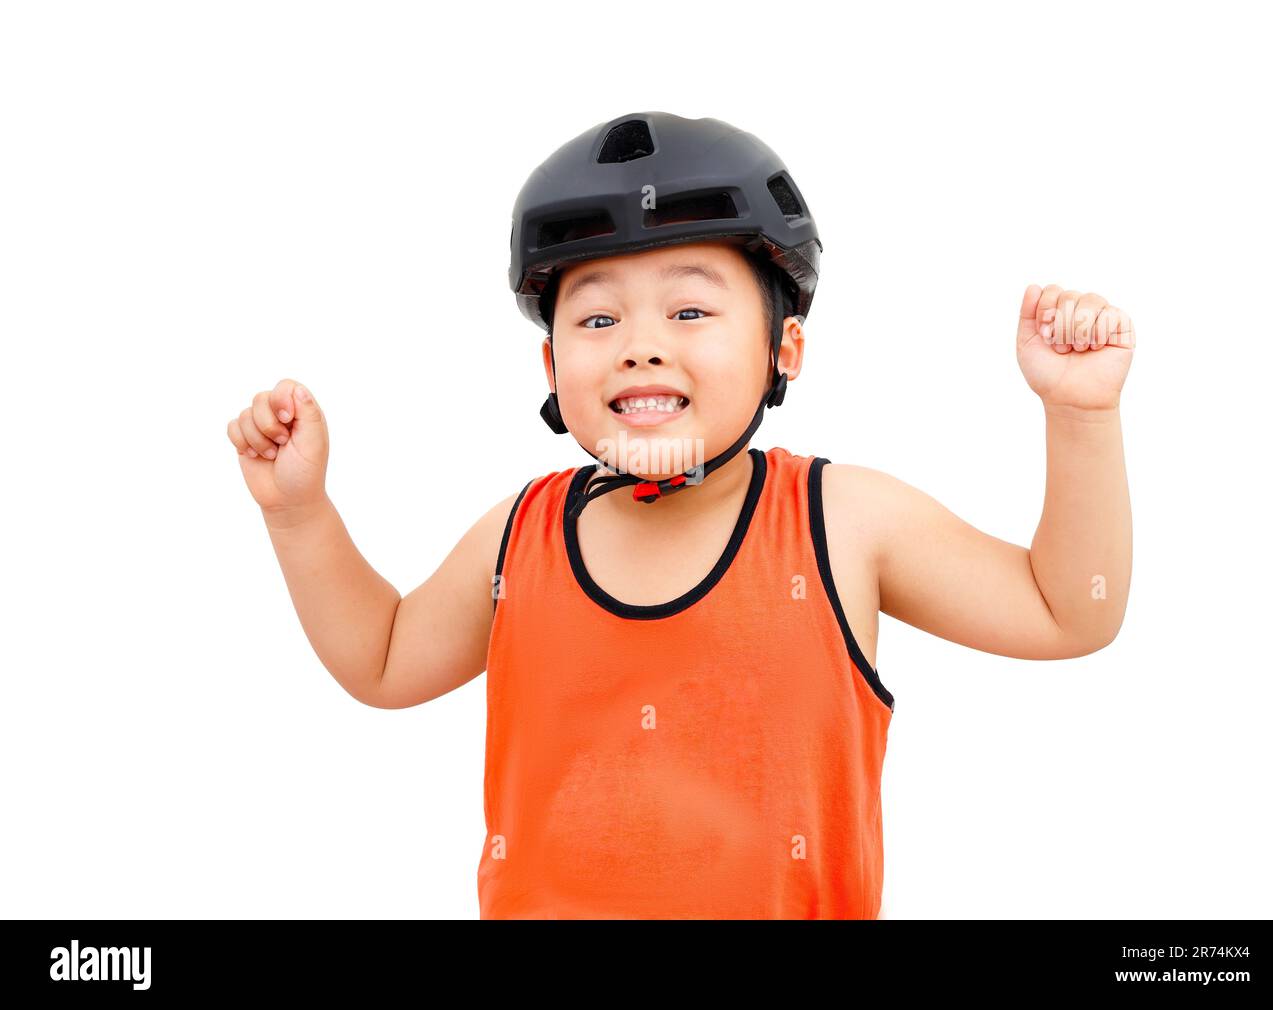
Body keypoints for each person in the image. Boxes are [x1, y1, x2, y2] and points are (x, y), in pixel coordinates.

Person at [225, 111, 1135, 919]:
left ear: (786, 348)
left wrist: (1080, 416)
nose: (641, 347)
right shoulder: (519, 537)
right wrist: (300, 516)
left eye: (690, 308)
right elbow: (383, 661)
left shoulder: (839, 524)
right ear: (550, 372)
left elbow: (1068, 610)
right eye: (596, 322)